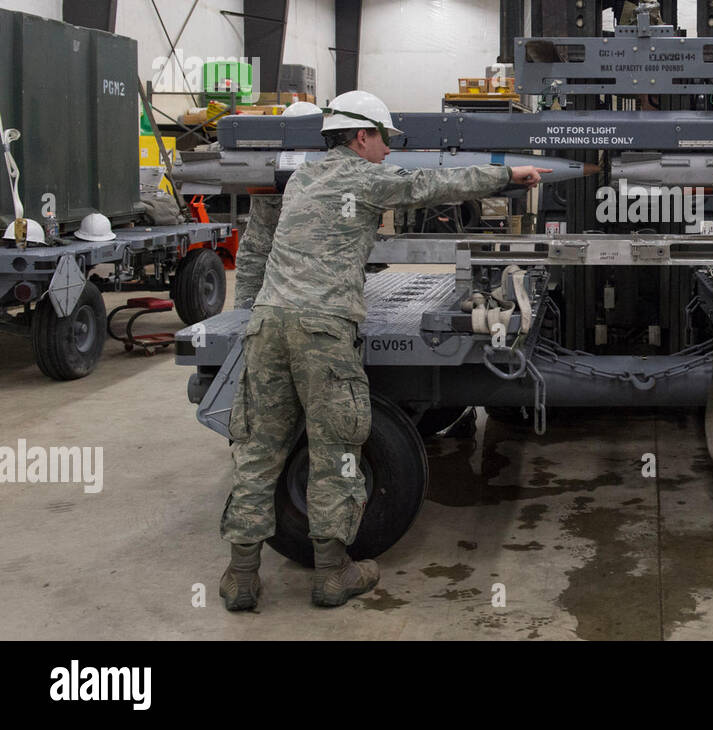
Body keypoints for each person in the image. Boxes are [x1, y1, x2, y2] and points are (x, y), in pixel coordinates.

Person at [219, 90, 549, 610]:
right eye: (383, 139)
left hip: (268, 324)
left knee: (259, 448)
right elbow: (432, 184)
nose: (388, 151)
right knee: (335, 450)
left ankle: (240, 576)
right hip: (322, 333)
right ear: (361, 136)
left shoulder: (303, 177)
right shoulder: (363, 177)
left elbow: (263, 244)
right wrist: (509, 175)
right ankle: (332, 574)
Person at [231, 101, 322, 310]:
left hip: (306, 261)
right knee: (245, 317)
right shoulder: (267, 157)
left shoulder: (322, 162)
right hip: (259, 255)